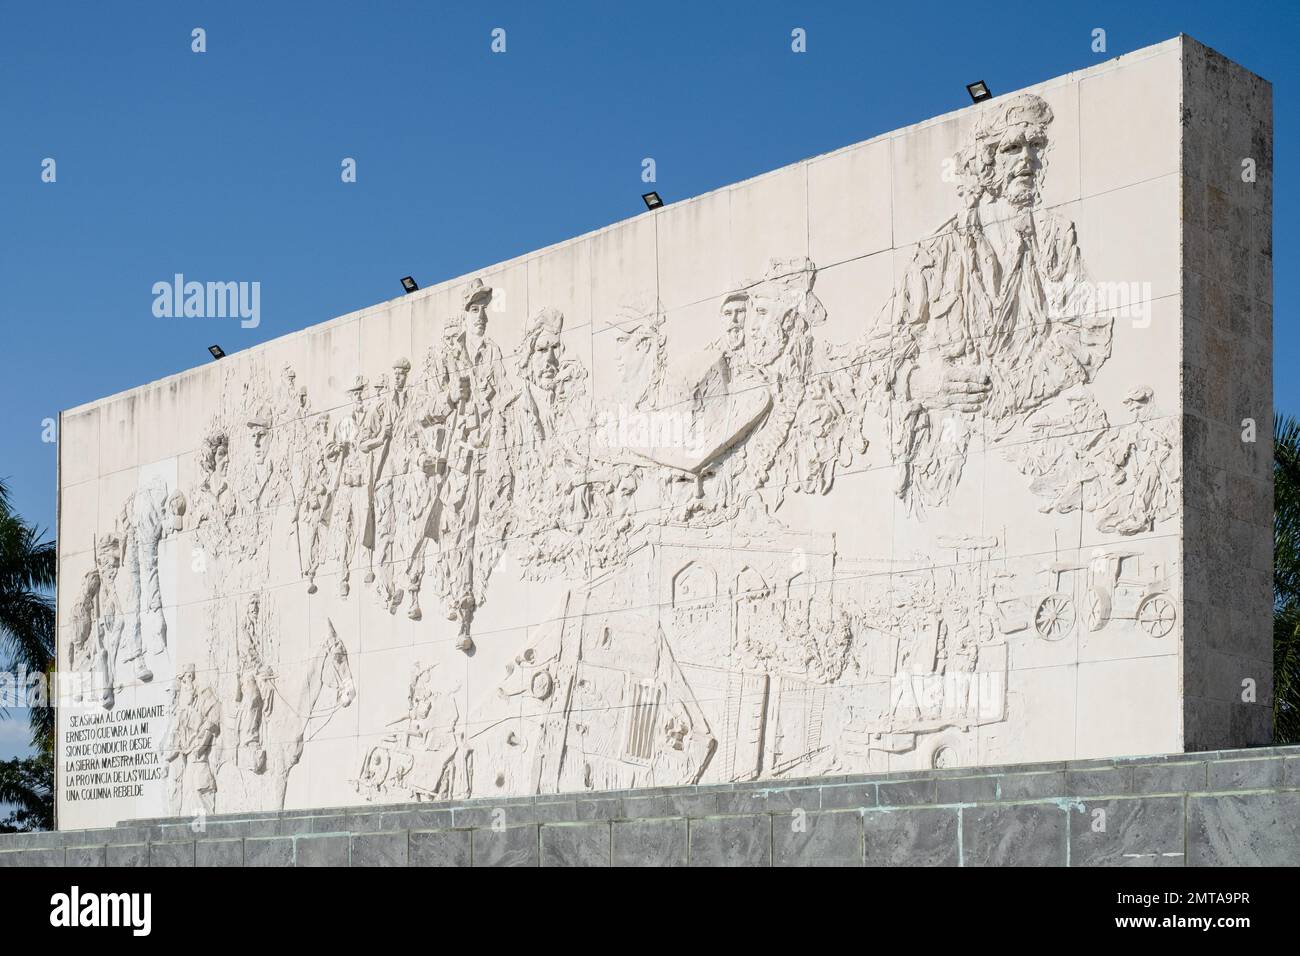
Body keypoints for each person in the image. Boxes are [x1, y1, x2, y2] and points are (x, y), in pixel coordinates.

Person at [859, 93, 1112, 515]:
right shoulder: (937, 253)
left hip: (1025, 446)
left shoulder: (1056, 238)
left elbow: (1088, 334)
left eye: (1037, 146)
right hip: (943, 463)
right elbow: (876, 355)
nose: (1028, 159)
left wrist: (1011, 391)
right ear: (985, 161)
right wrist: (921, 383)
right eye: (1013, 147)